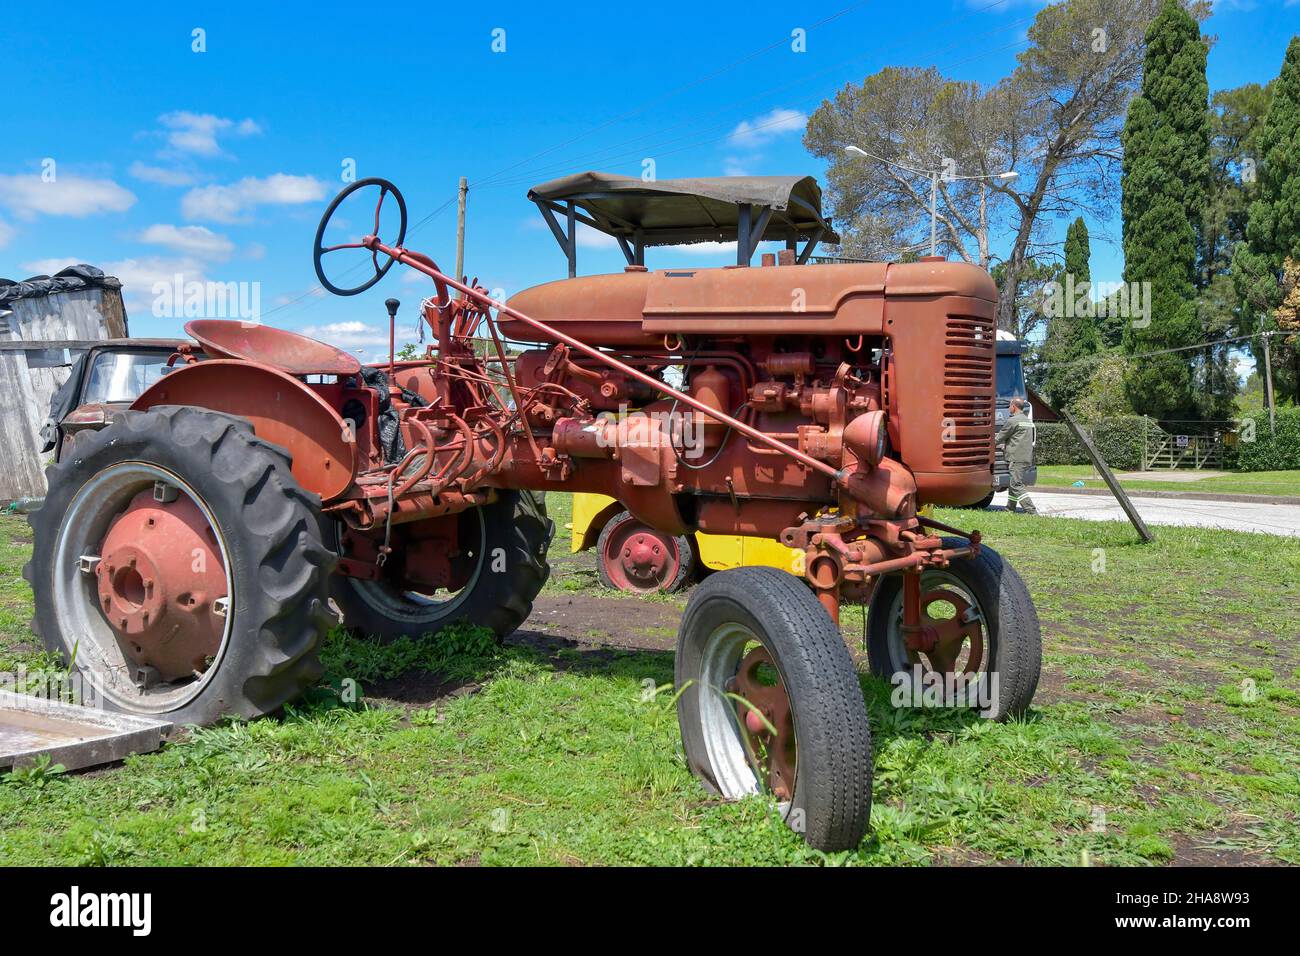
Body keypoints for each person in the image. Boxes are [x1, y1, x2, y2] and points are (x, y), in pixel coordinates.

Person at [995, 397, 1037, 514]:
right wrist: (1007, 446)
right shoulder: (1026, 421)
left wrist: (985, 445)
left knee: (1015, 484)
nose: (1009, 408)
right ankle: (1010, 509)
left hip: (1016, 458)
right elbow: (1019, 440)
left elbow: (999, 438)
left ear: (1013, 406)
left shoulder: (1012, 421)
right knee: (1013, 482)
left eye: (1009, 406)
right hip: (1025, 457)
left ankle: (1031, 511)